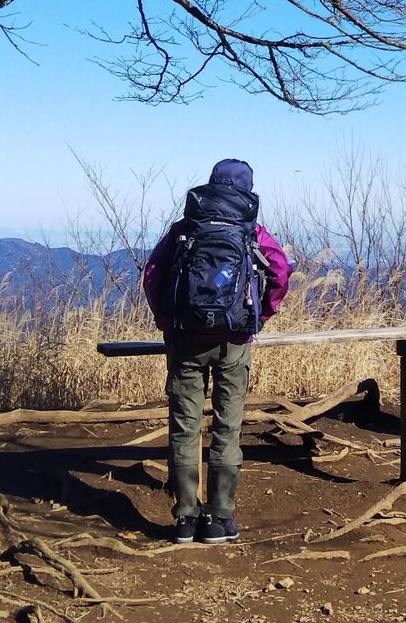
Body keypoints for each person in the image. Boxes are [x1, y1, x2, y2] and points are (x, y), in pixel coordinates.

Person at [141, 159, 290, 544]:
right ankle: (219, 518)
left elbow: (153, 273)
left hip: (185, 337)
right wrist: (258, 315)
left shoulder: (186, 227)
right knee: (228, 426)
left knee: (185, 426)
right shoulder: (251, 231)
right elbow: (281, 272)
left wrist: (166, 319)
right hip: (234, 341)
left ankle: (186, 518)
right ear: (248, 190)